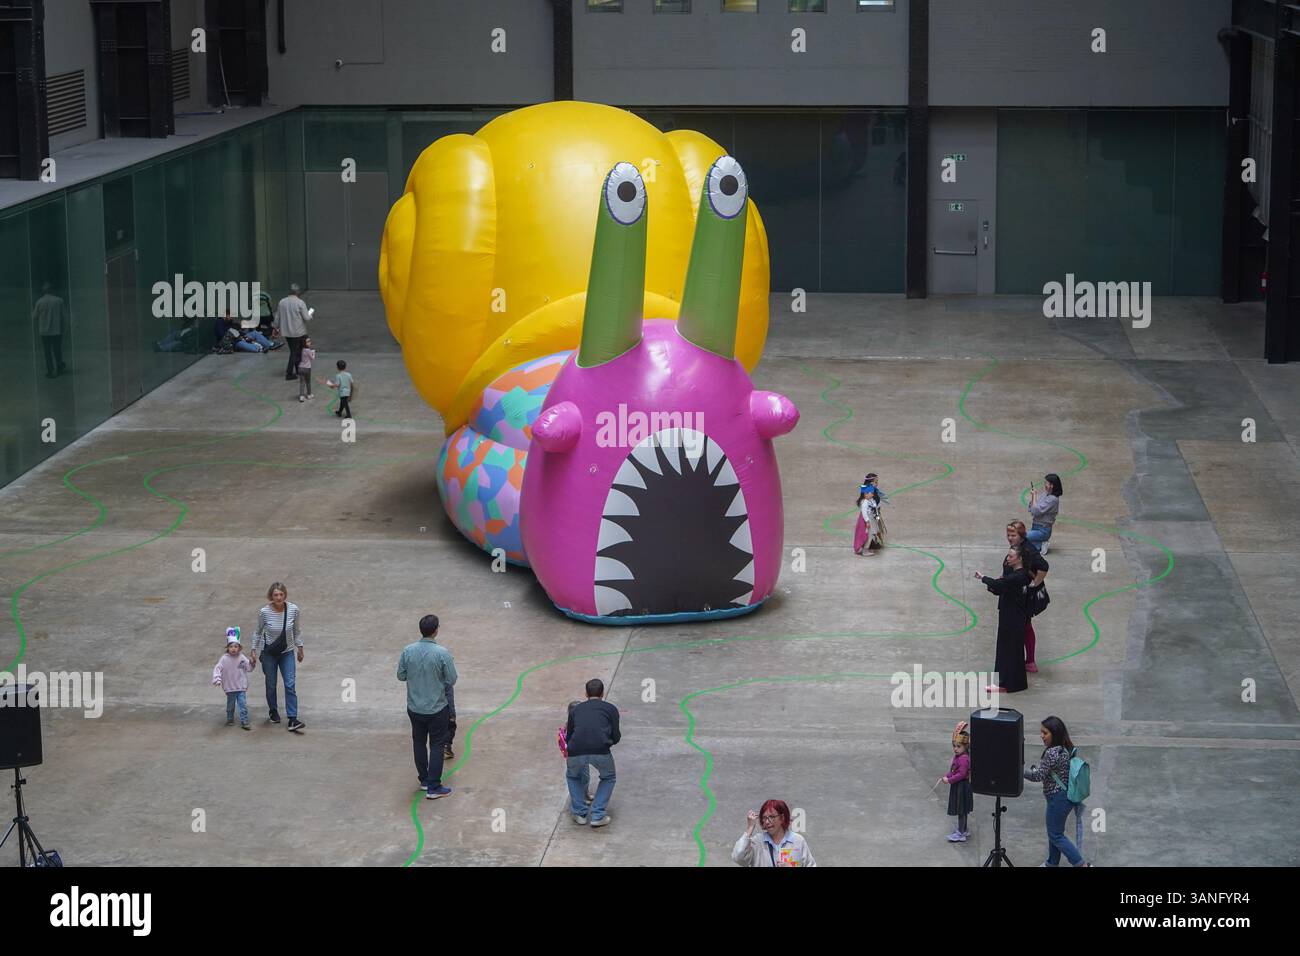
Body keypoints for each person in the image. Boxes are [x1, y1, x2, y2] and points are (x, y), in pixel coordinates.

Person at [397, 614, 458, 799]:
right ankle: (434, 786)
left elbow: (401, 675)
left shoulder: (408, 651)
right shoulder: (442, 653)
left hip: (414, 707)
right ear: (436, 630)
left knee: (418, 742)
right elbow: (452, 679)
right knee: (437, 745)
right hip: (437, 707)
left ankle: (424, 780)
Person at [1024, 716, 1088, 867]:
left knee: (1056, 835)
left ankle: (1081, 864)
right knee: (1054, 832)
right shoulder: (1065, 749)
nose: (1042, 736)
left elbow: (1038, 776)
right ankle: (1051, 863)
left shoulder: (1051, 753)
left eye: (1045, 733)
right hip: (1064, 797)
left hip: (1057, 799)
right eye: (1041, 732)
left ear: (1055, 733)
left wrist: (1019, 771)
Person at [973, 545, 1031, 693]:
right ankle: (1013, 682)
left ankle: (1007, 683)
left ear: (1019, 559)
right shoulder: (1023, 574)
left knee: (1008, 649)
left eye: (1011, 556)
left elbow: (999, 585)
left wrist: (983, 578)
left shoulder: (1016, 577)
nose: (1007, 559)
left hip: (1011, 616)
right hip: (1016, 614)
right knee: (1013, 649)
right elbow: (1001, 586)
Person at [249, 582, 305, 732]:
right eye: (275, 595)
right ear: (271, 596)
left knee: (290, 684)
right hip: (269, 654)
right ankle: (273, 710)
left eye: (281, 594)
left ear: (285, 595)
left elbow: (296, 630)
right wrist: (253, 650)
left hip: (287, 652)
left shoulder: (293, 609)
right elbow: (258, 632)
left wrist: (300, 648)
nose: (279, 597)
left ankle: (292, 718)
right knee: (271, 684)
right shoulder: (264, 612)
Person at [564, 678, 620, 827]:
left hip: (576, 750)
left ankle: (579, 813)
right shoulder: (611, 709)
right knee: (608, 777)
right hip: (600, 749)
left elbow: (569, 734)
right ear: (602, 693)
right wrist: (606, 742)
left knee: (573, 776)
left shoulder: (575, 710)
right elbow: (616, 736)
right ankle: (598, 814)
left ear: (585, 694)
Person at [1007, 520, 1048, 673]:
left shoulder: (1028, 549)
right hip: (1018, 591)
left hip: (1025, 596)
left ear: (1021, 535)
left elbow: (1044, 566)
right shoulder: (1018, 547)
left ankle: (1029, 661)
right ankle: (1028, 660)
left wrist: (1035, 583)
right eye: (1008, 535)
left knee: (1025, 626)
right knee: (1025, 626)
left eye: (1013, 535)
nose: (1010, 538)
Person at [732, 800, 817, 867]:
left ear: (782, 818)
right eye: (764, 818)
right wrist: (750, 828)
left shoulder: (798, 841)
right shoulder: (758, 842)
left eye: (772, 817)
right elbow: (738, 857)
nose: (767, 822)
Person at [212, 627, 253, 730]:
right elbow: (218, 668)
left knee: (242, 705)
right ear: (227, 647)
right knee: (230, 705)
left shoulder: (242, 657)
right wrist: (217, 679)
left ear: (239, 648)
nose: (233, 648)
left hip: (240, 686)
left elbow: (248, 668)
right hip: (230, 687)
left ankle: (244, 721)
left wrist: (252, 662)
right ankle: (230, 718)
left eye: (236, 646)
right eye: (231, 646)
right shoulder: (224, 659)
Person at [938, 721, 973, 842]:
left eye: (958, 746)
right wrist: (947, 776)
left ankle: (961, 832)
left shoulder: (963, 759)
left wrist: (949, 780)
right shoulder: (958, 757)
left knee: (961, 810)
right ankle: (963, 829)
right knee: (963, 810)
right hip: (959, 786)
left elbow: (962, 774)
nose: (955, 749)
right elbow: (954, 770)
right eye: (954, 746)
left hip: (962, 787)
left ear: (965, 746)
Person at [274, 283, 312, 380]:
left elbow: (277, 317)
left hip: (287, 332)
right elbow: (306, 318)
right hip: (298, 332)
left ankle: (298, 370)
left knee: (294, 351)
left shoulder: (282, 302)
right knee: (296, 352)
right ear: (298, 292)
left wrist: (276, 328)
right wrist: (310, 314)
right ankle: (289, 373)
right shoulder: (300, 303)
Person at [32, 282, 69, 378]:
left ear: (43, 291)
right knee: (57, 350)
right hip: (56, 330)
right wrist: (66, 328)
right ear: (52, 290)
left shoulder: (39, 302)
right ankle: (59, 367)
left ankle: (50, 370)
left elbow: (34, 316)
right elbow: (64, 316)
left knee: (47, 351)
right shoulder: (59, 301)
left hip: (44, 331)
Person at [1027, 473, 1062, 555]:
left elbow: (1035, 510)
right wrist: (1034, 499)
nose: (1044, 485)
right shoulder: (1045, 494)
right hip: (1035, 526)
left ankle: (1041, 543)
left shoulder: (1053, 499)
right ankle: (1039, 544)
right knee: (1027, 546)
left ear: (1051, 485)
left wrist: (1034, 496)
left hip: (1043, 530)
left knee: (1022, 537)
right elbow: (1031, 508)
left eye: (1046, 483)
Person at [853, 472, 887, 555]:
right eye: (875, 482)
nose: (877, 484)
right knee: (869, 533)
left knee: (874, 532)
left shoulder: (872, 495)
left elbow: (875, 503)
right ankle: (865, 549)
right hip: (869, 518)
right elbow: (865, 512)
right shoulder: (865, 502)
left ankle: (872, 544)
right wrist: (867, 521)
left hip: (873, 516)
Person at [297, 337, 316, 403]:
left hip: (300, 367)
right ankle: (309, 394)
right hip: (307, 368)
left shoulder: (300, 349)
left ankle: (301, 396)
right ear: (304, 343)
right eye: (308, 341)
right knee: (308, 382)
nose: (309, 342)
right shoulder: (308, 350)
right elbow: (312, 358)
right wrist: (313, 353)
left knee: (302, 383)